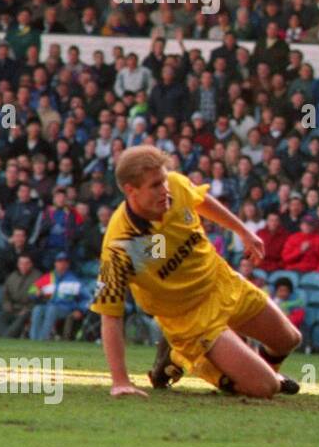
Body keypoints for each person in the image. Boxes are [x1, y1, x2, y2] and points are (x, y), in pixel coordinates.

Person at [91, 146, 301, 398]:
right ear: (130, 190)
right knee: (264, 388)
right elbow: (110, 315)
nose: (165, 190)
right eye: (156, 185)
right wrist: (120, 381)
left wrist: (243, 231)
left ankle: (255, 371)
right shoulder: (119, 244)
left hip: (221, 282)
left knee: (289, 340)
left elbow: (200, 199)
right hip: (188, 317)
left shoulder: (176, 186)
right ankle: (185, 357)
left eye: (165, 180)